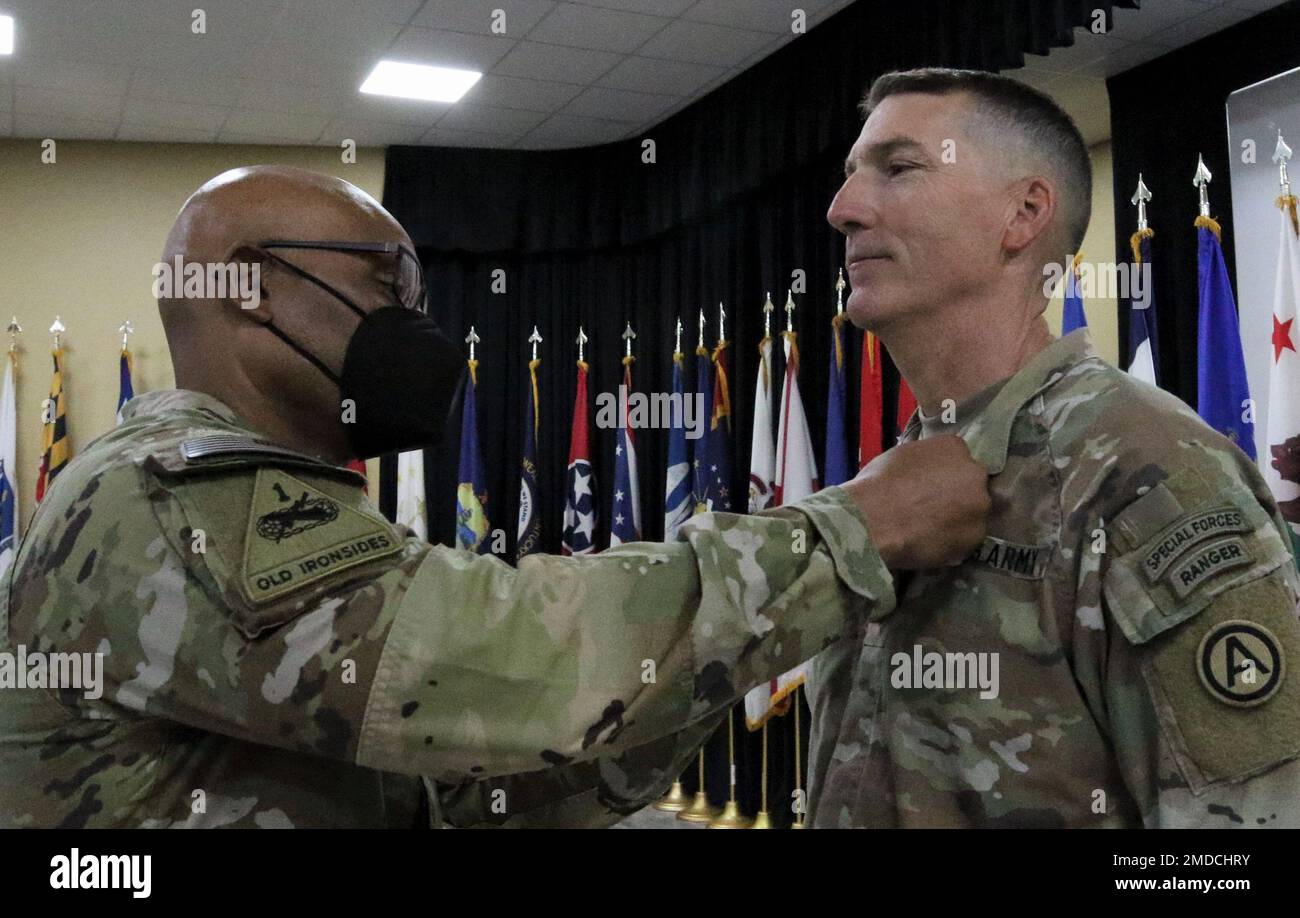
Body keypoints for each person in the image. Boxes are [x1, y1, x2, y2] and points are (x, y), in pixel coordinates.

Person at [0, 165, 990, 828]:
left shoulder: (246, 492)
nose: (417, 324)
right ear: (253, 287)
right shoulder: (179, 499)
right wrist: (862, 526)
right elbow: (513, 658)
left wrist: (744, 642)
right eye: (388, 286)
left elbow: (457, 791)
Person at [816, 67, 1300, 828]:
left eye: (898, 168)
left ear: (1022, 214)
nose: (842, 210)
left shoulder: (1145, 468)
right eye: (848, 179)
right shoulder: (899, 474)